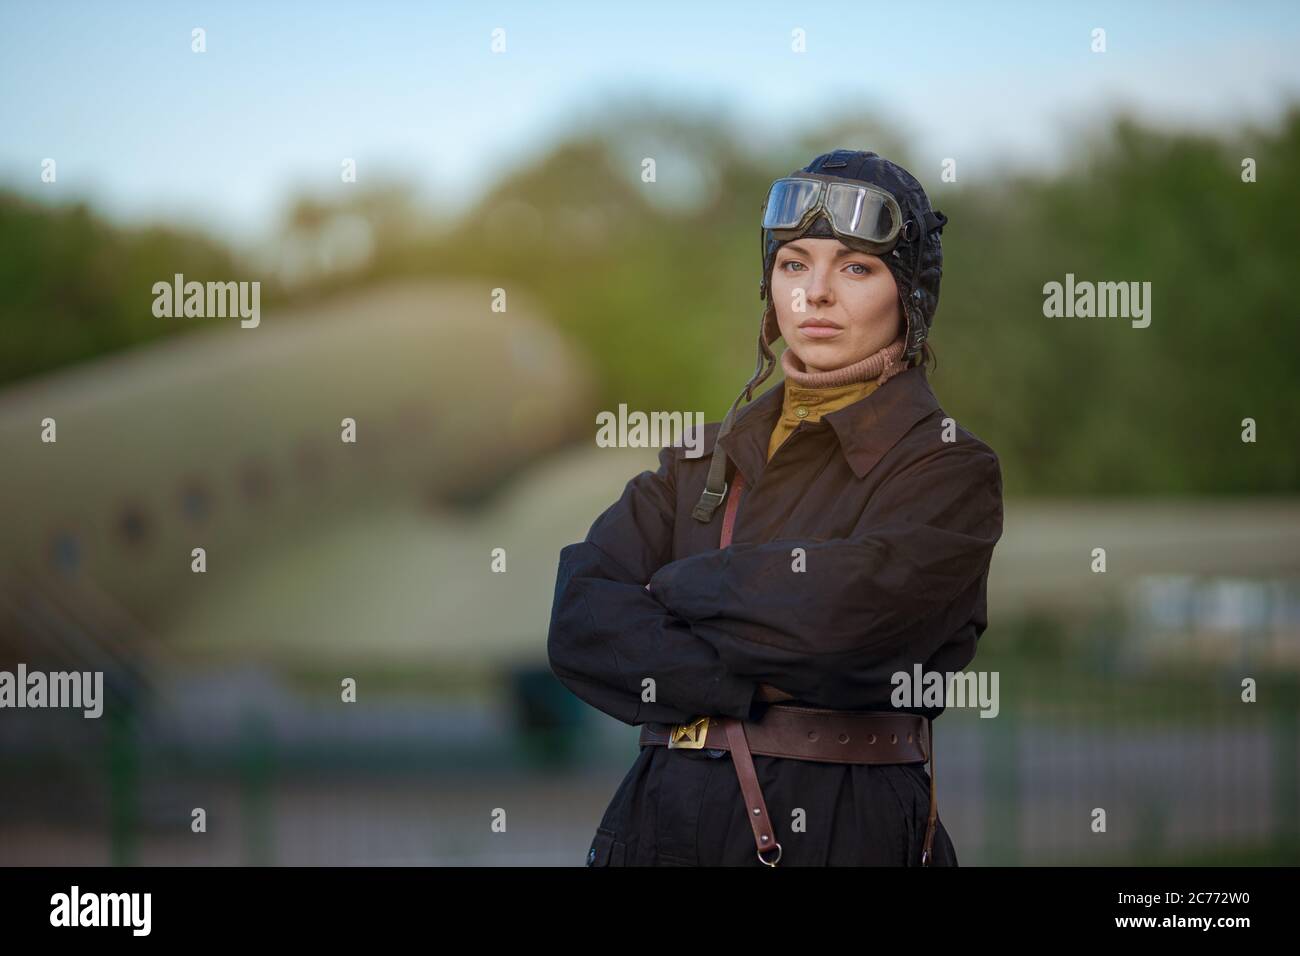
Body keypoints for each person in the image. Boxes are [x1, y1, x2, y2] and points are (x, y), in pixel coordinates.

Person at [547, 148, 1004, 866]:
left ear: (911, 294)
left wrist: (678, 589)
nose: (815, 294)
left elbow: (846, 628)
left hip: (841, 831)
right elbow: (580, 622)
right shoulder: (698, 459)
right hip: (655, 829)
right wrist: (751, 677)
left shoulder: (947, 467)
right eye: (794, 264)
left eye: (856, 269)